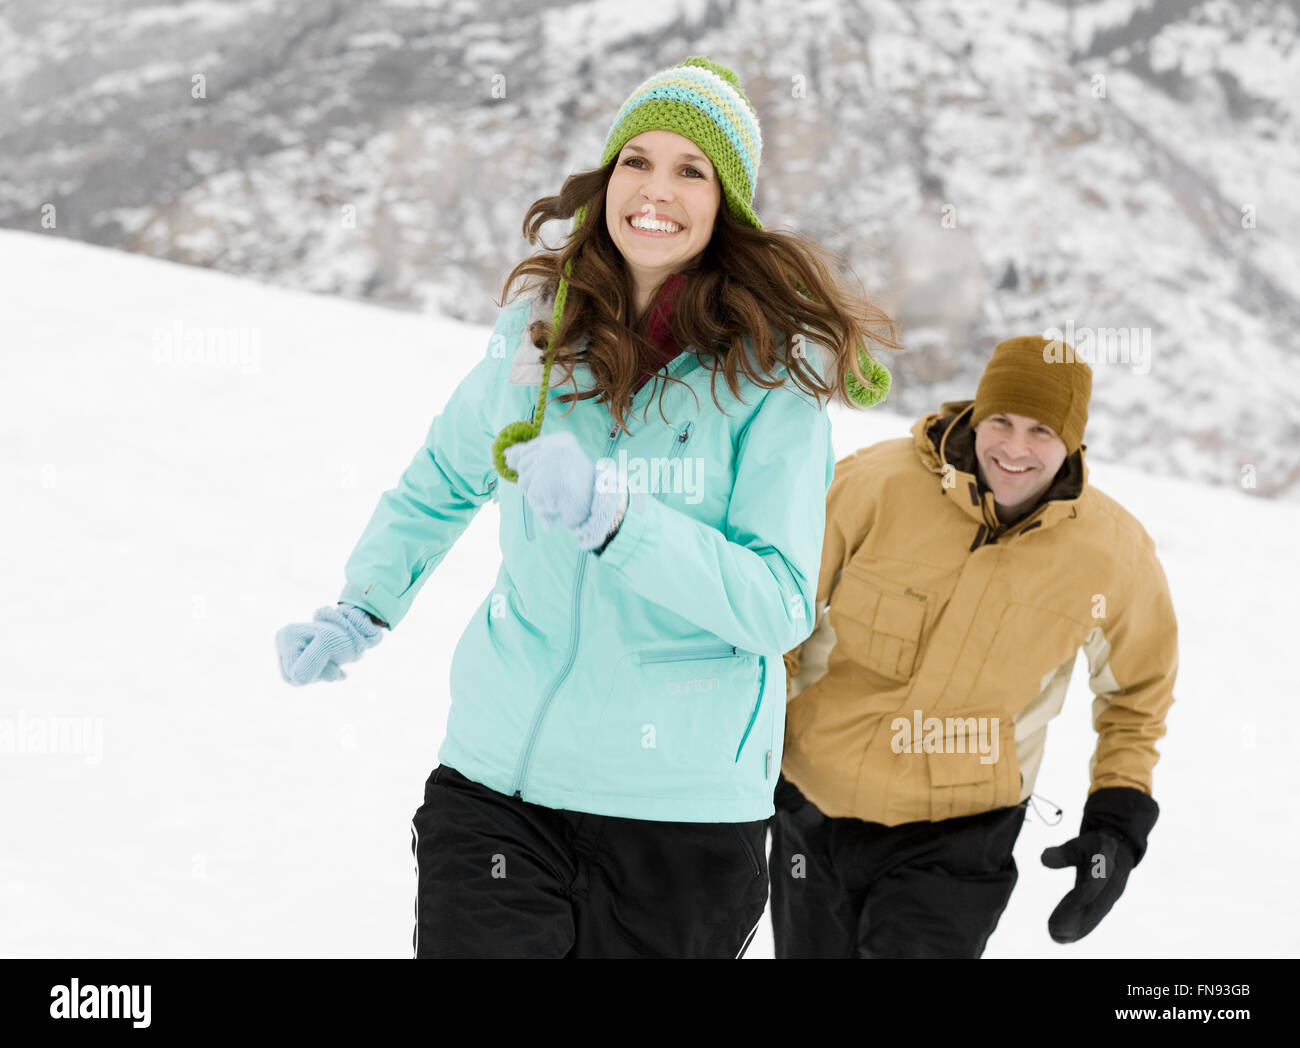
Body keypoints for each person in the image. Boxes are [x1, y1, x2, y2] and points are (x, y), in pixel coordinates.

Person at [275, 55, 896, 958]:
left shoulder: (770, 377)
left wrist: (622, 522)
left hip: (679, 823)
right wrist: (364, 603)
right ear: (608, 177)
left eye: (692, 171)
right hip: (501, 785)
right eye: (637, 161)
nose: (656, 189)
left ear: (728, 205)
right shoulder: (538, 328)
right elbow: (447, 473)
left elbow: (777, 603)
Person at [774, 335, 1178, 958]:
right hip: (813, 809)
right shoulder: (874, 486)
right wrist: (745, 753)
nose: (1015, 449)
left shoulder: (1111, 554)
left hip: (959, 838)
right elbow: (781, 619)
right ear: (975, 414)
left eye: (1042, 431)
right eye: (1002, 421)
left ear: (1072, 441)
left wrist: (1116, 822)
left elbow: (1137, 696)